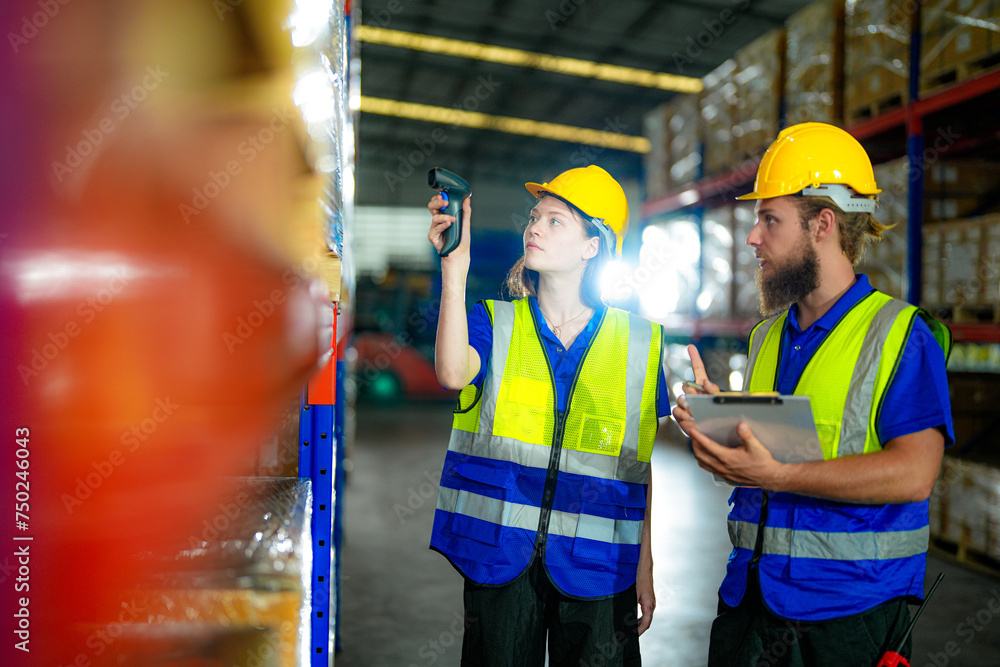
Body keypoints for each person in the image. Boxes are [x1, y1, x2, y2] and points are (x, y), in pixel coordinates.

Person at [672, 122, 954, 667]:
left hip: (850, 614)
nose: (753, 237)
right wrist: (719, 424)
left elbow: (914, 473)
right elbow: (766, 460)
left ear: (822, 224)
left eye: (769, 219)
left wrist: (777, 476)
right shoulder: (766, 336)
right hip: (750, 598)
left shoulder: (898, 335)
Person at [426, 165, 670, 666]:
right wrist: (455, 271)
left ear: (593, 246)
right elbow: (452, 372)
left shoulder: (640, 343)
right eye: (535, 217)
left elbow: (636, 468)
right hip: (500, 558)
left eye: (556, 221)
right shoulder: (495, 321)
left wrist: (642, 561)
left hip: (599, 566)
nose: (533, 227)